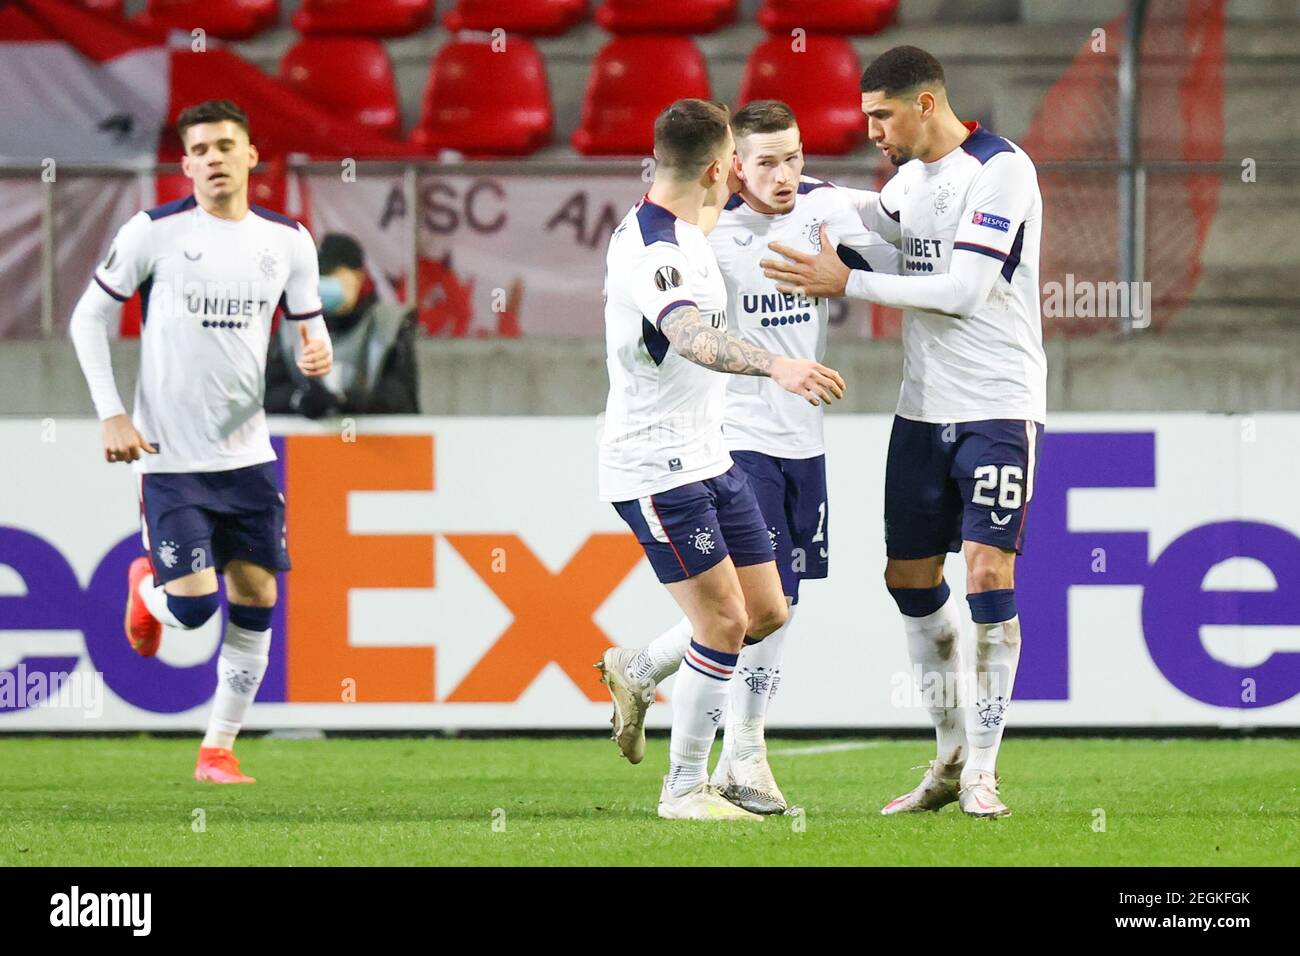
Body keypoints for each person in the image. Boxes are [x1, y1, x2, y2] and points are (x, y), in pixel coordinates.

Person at [760, 46, 1046, 818]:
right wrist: (779, 183)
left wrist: (846, 281)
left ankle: (984, 770)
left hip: (997, 405)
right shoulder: (911, 181)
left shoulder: (1000, 170)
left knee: (986, 573)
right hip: (922, 410)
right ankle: (949, 757)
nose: (872, 131)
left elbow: (964, 291)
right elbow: (873, 223)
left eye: (881, 115)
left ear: (926, 103)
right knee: (908, 581)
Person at [601, 100, 900, 814]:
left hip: (710, 459)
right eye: (748, 161)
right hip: (658, 467)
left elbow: (856, 208)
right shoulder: (655, 249)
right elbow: (688, 335)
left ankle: (638, 669)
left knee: (768, 610)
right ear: (721, 167)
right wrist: (776, 365)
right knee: (723, 624)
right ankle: (687, 786)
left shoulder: (692, 221)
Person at [69, 99, 333, 784]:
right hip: (170, 459)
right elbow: (86, 319)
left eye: (225, 146)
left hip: (248, 458)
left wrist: (318, 353)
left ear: (251, 156)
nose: (214, 158)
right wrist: (111, 414)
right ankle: (146, 588)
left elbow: (310, 327)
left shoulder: (288, 241)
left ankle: (218, 749)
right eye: (201, 150)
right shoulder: (153, 233)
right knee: (192, 608)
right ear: (185, 165)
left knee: (257, 599)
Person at [265, 232, 419, 417]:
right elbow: (266, 395)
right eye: (319, 275)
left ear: (359, 277)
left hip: (371, 434)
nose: (323, 283)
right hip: (305, 436)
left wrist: (353, 401)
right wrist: (298, 398)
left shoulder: (388, 326)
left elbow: (403, 399)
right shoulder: (291, 327)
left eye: (334, 274)